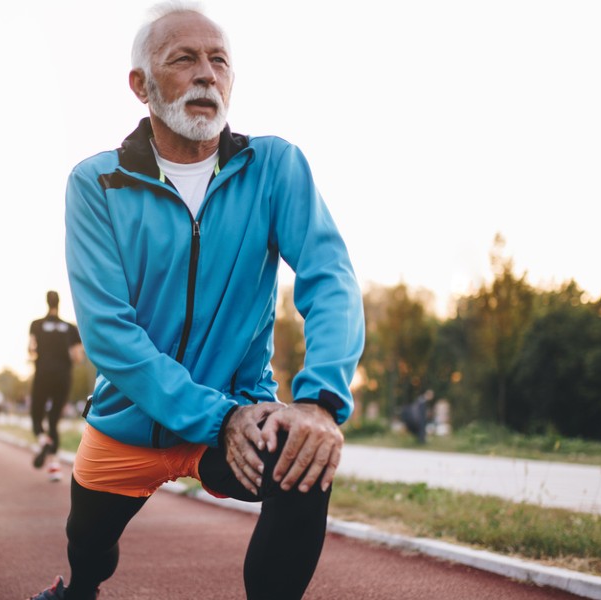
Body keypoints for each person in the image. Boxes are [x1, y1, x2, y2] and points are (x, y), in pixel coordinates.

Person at [28, 3, 364, 599]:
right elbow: (109, 334)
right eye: (184, 59)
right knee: (89, 547)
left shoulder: (275, 166)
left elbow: (329, 274)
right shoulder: (96, 183)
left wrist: (319, 401)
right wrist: (217, 418)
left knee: (301, 458)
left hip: (239, 414)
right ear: (142, 84)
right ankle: (79, 591)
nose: (207, 73)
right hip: (130, 425)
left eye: (219, 61)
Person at [29, 290, 84, 482]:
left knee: (37, 416)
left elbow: (31, 349)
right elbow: (78, 356)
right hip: (63, 377)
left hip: (43, 373)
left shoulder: (36, 325)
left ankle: (43, 441)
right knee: (53, 420)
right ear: (59, 303)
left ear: (46, 302)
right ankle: (54, 466)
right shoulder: (70, 328)